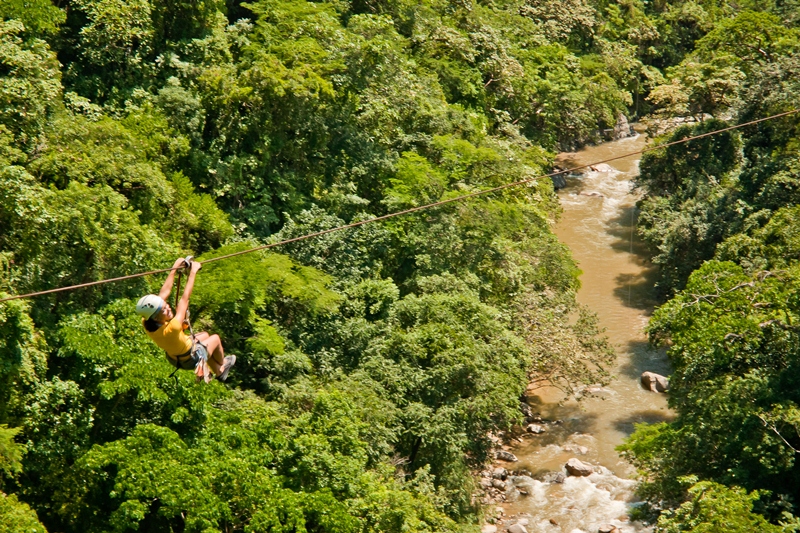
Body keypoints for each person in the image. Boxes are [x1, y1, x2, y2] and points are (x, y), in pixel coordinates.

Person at [135, 257, 235, 382]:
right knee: (215, 338)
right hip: (190, 359)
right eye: (164, 310)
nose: (168, 309)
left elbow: (164, 293)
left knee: (204, 335)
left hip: (174, 358)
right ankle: (222, 365)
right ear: (156, 316)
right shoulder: (173, 328)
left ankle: (217, 370)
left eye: (166, 306)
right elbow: (184, 299)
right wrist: (192, 272)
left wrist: (174, 269)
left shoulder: (147, 322)